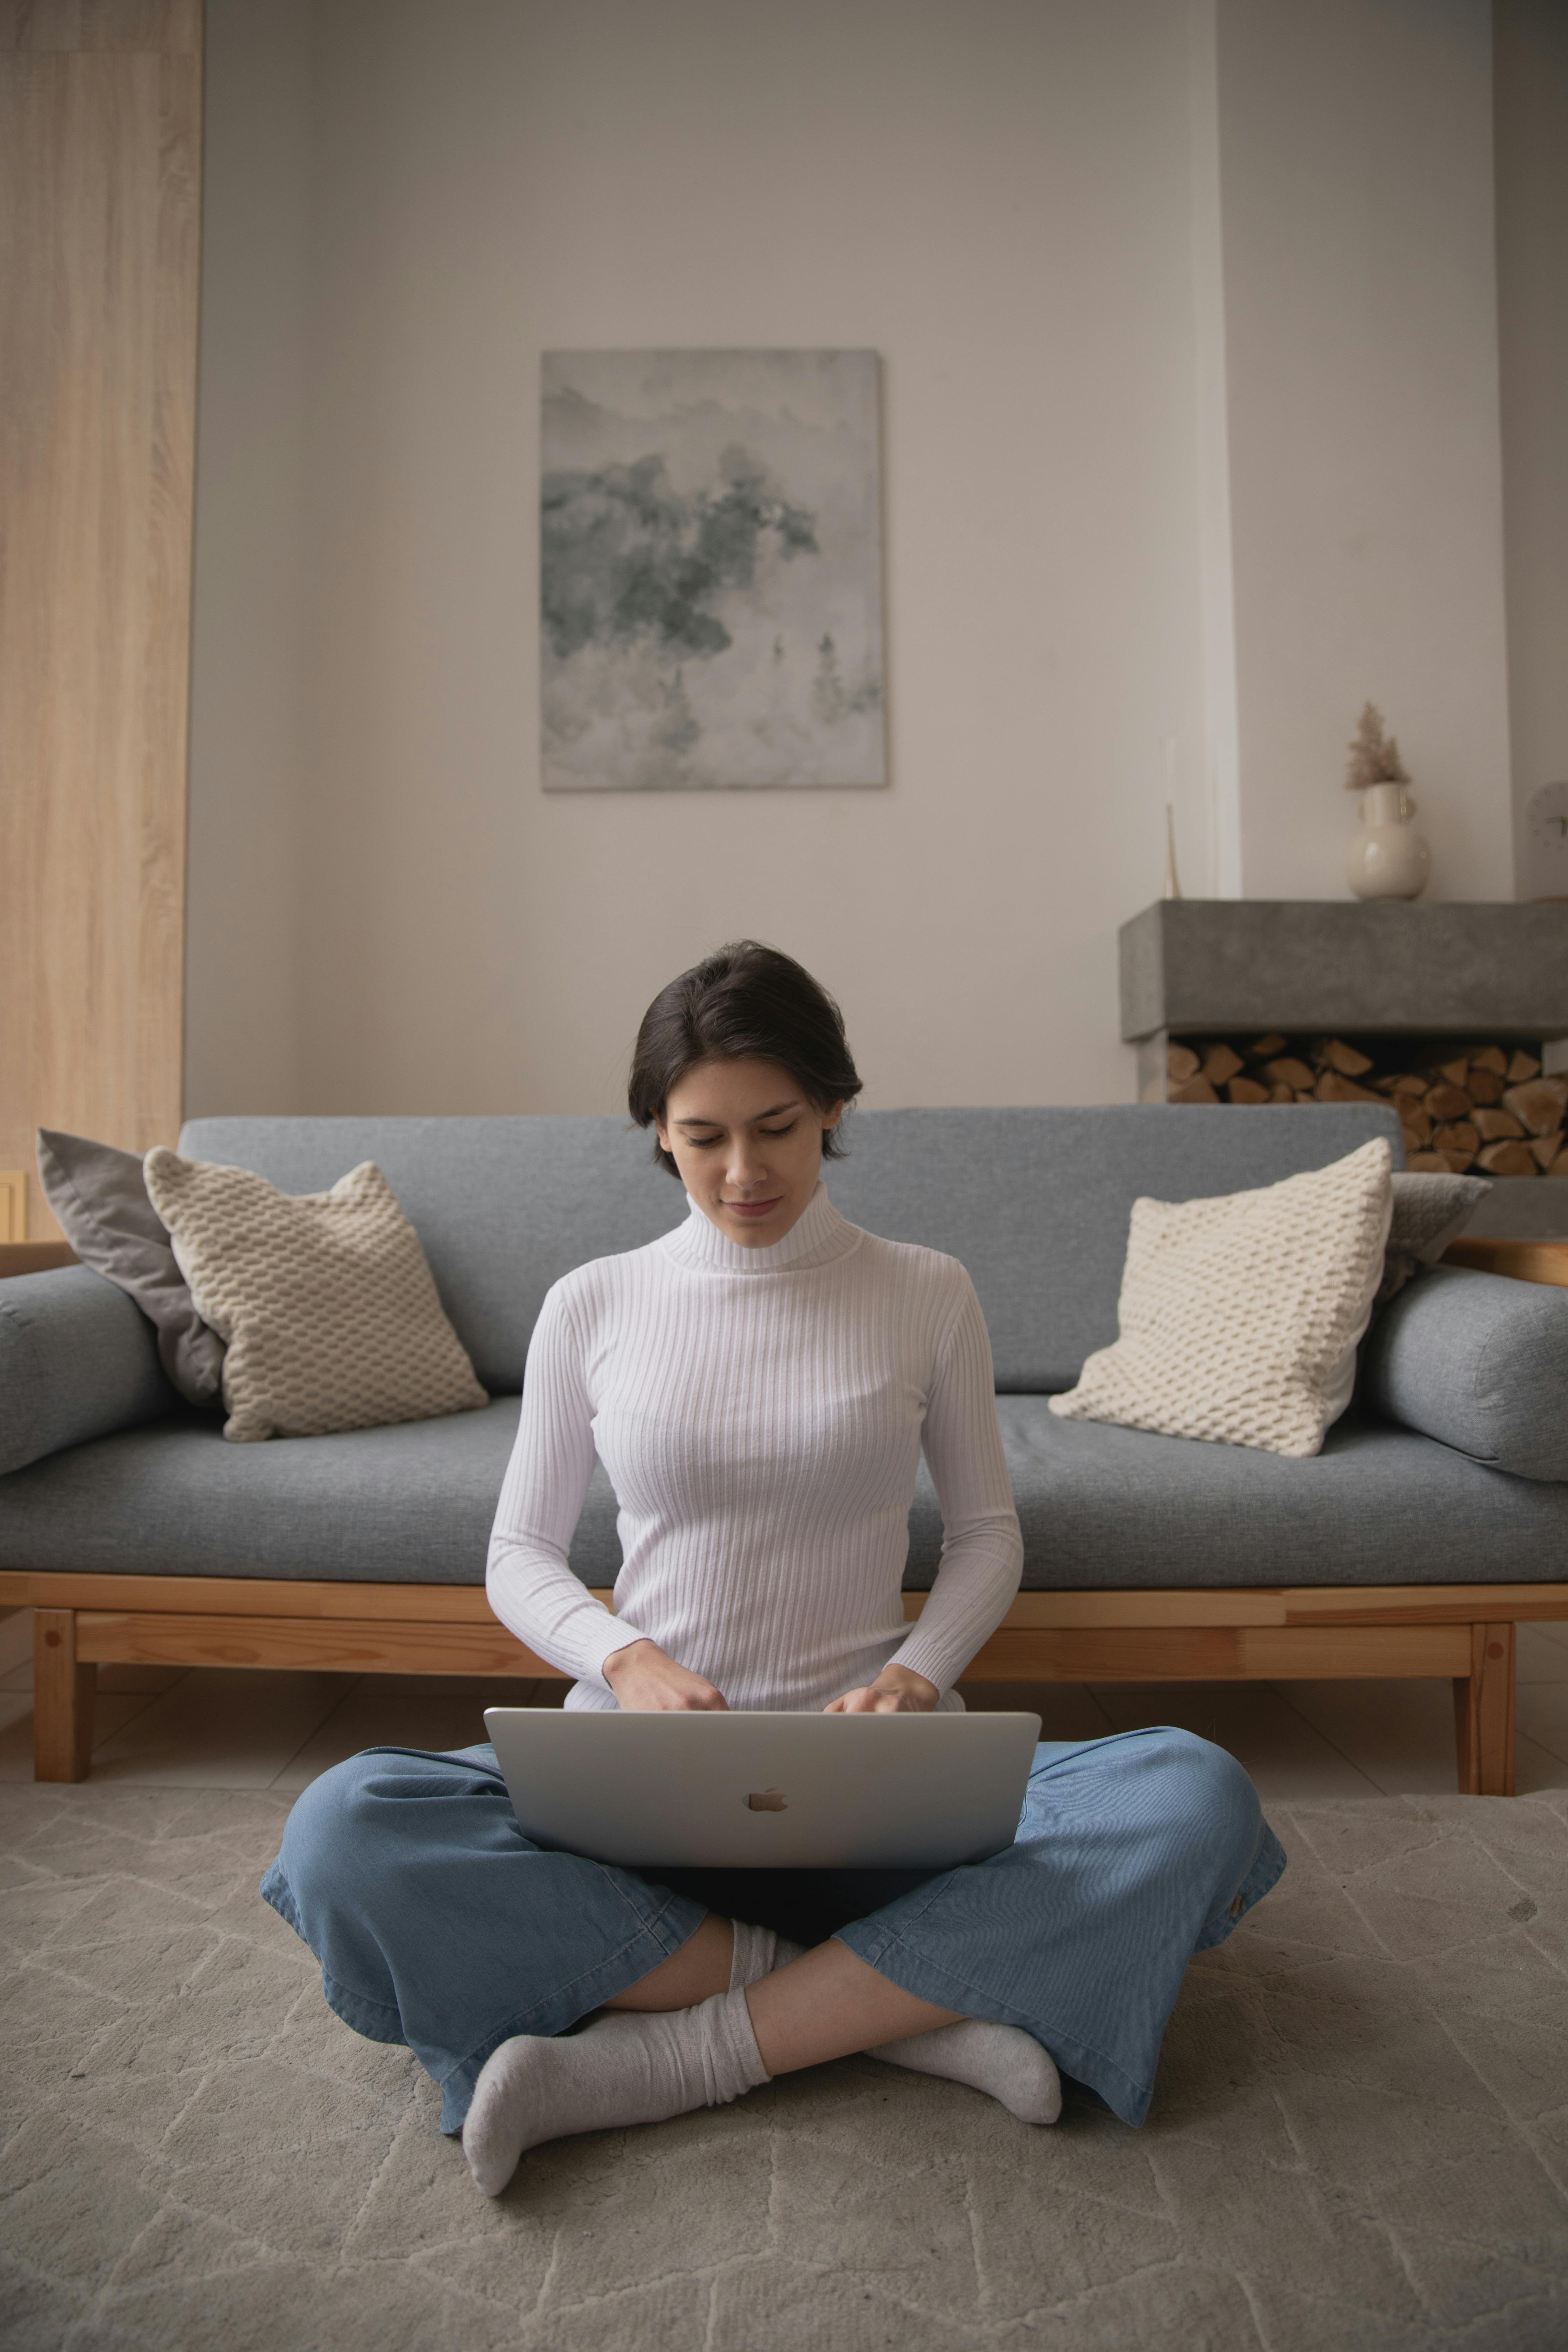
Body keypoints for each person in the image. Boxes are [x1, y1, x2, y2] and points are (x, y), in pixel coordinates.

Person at [261, 943, 1284, 2197]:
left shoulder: (927, 1291)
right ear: (658, 1130)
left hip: (876, 1786)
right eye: (703, 1138)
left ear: (835, 1108)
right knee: (343, 1829)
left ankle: (670, 2053)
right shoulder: (593, 1302)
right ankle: (900, 2008)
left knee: (1192, 1795)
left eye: (778, 1129)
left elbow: (986, 1534)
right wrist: (624, 1661)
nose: (743, 1173)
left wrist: (917, 1677)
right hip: (639, 1793)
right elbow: (519, 1554)